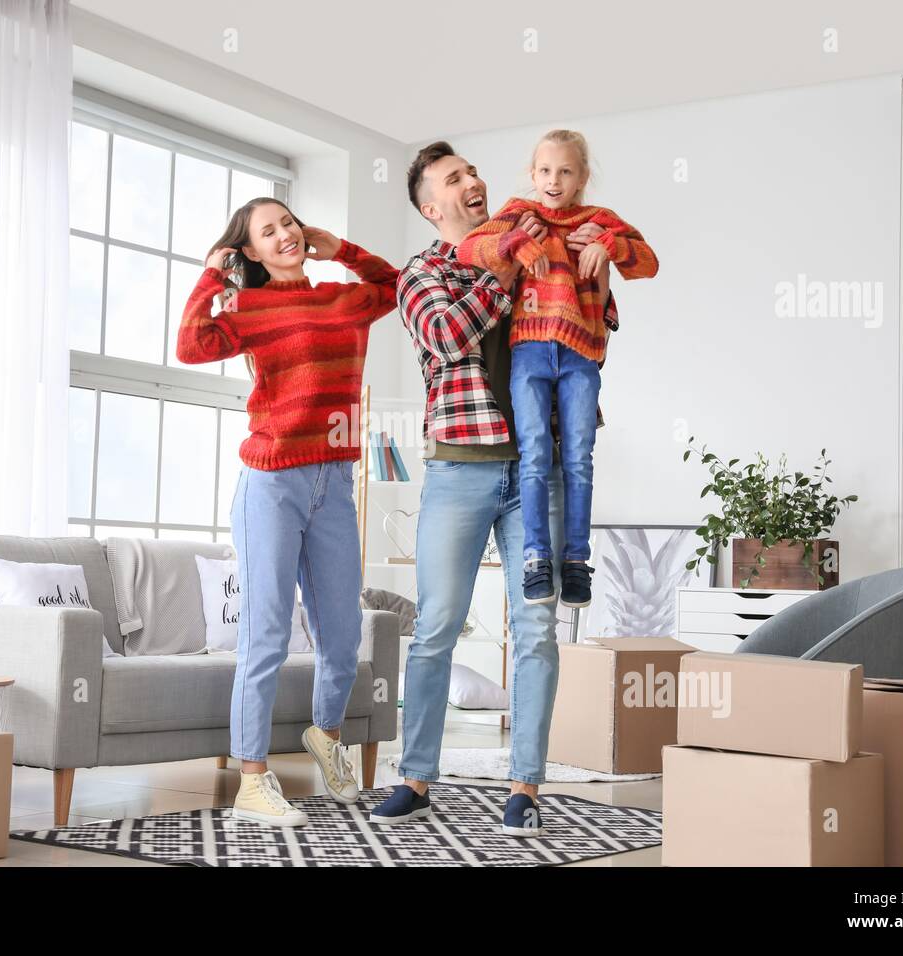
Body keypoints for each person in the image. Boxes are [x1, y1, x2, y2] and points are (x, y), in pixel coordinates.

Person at [368, 142, 615, 836]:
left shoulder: (536, 241)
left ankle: (524, 785)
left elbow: (585, 321)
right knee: (436, 629)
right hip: (460, 467)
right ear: (431, 205)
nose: (472, 181)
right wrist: (507, 264)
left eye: (472, 171)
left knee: (536, 629)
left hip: (538, 470)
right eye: (454, 179)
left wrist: (591, 255)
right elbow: (448, 335)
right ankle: (416, 778)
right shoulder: (422, 273)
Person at [176, 198, 398, 827]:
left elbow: (395, 286)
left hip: (335, 480)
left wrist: (343, 250)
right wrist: (210, 276)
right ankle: (251, 779)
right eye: (267, 231)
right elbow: (191, 346)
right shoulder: (246, 306)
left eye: (289, 224)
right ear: (249, 251)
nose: (285, 235)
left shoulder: (343, 300)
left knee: (343, 633)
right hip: (271, 482)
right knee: (266, 634)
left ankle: (326, 737)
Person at [456, 129, 658, 608]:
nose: (554, 180)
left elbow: (647, 263)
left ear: (583, 176)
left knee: (578, 459)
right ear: (532, 174)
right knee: (533, 453)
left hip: (580, 354)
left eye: (566, 171)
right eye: (545, 171)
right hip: (529, 349)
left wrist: (608, 244)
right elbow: (468, 249)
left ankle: (575, 561)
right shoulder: (519, 215)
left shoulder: (598, 220)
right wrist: (513, 244)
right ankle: (535, 559)